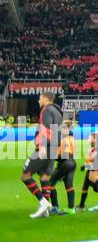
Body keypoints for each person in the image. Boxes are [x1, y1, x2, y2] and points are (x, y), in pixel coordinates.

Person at [20, 89, 62, 218]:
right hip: (53, 148)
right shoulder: (58, 112)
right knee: (44, 177)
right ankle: (46, 211)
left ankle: (43, 202)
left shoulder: (46, 110)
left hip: (45, 148)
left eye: (40, 98)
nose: (38, 100)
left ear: (46, 99)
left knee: (25, 176)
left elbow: (45, 129)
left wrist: (42, 146)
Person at [47, 121, 78, 216]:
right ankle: (71, 208)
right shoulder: (72, 138)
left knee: (50, 183)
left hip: (65, 163)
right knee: (69, 185)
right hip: (72, 163)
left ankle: (55, 206)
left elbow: (64, 154)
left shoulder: (64, 139)